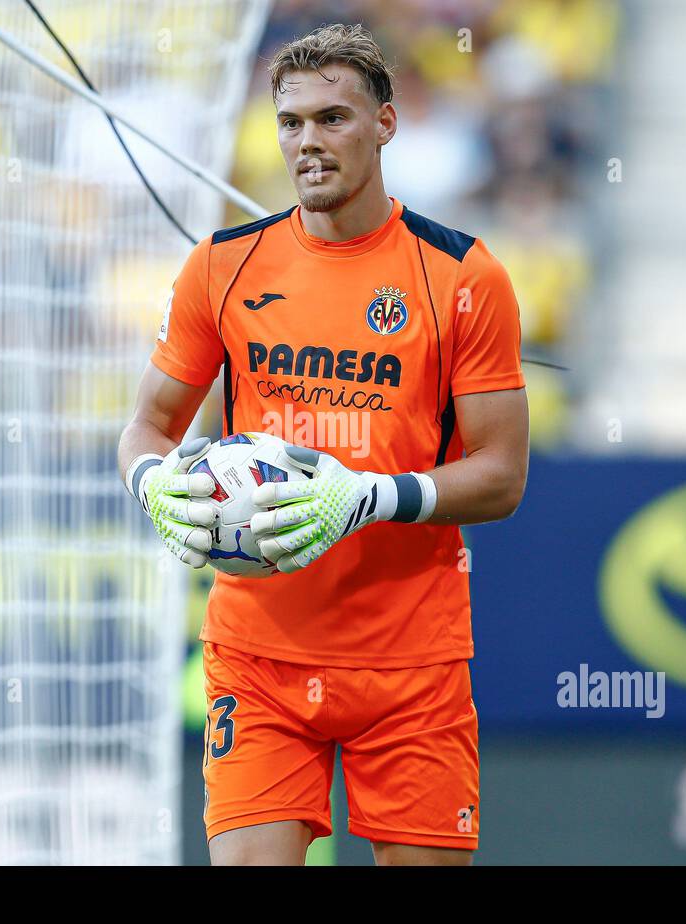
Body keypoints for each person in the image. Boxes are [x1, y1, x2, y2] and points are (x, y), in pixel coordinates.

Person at [117, 22, 528, 865]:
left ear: (385, 122)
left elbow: (502, 475)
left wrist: (371, 496)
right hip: (258, 658)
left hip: (412, 663)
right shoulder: (220, 266)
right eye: (291, 122)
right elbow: (146, 428)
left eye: (333, 119)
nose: (308, 141)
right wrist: (152, 484)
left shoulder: (461, 276)